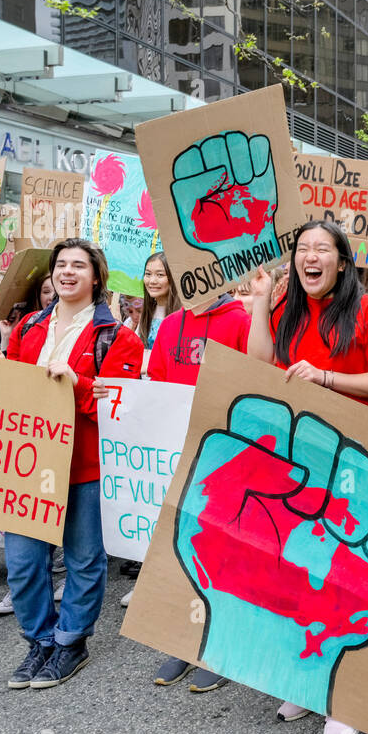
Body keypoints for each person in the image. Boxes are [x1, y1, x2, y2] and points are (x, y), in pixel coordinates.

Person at [246, 220, 368, 734]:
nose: (310, 258)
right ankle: (309, 683)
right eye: (301, 250)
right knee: (301, 571)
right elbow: (258, 366)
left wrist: (327, 378)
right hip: (298, 459)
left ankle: (350, 697)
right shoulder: (284, 306)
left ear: (341, 260)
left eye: (321, 249)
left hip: (353, 461)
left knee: (347, 578)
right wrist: (261, 306)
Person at [0, 238, 143, 690]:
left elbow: (121, 408)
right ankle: (39, 641)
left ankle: (71, 640)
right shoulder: (29, 327)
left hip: (84, 468)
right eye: (61, 265)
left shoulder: (118, 337)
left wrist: (78, 382)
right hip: (26, 466)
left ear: (96, 277)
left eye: (78, 265)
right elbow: (11, 395)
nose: (67, 272)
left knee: (83, 558)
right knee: (23, 562)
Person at [139, 288, 251, 688]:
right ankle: (187, 641)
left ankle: (222, 647)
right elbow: (160, 391)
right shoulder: (170, 326)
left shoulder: (241, 321)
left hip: (229, 457)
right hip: (182, 454)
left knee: (224, 553)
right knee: (185, 548)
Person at [127, 252, 181, 352]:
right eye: (148, 274)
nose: (152, 281)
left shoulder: (184, 315)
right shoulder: (144, 313)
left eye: (160, 275)